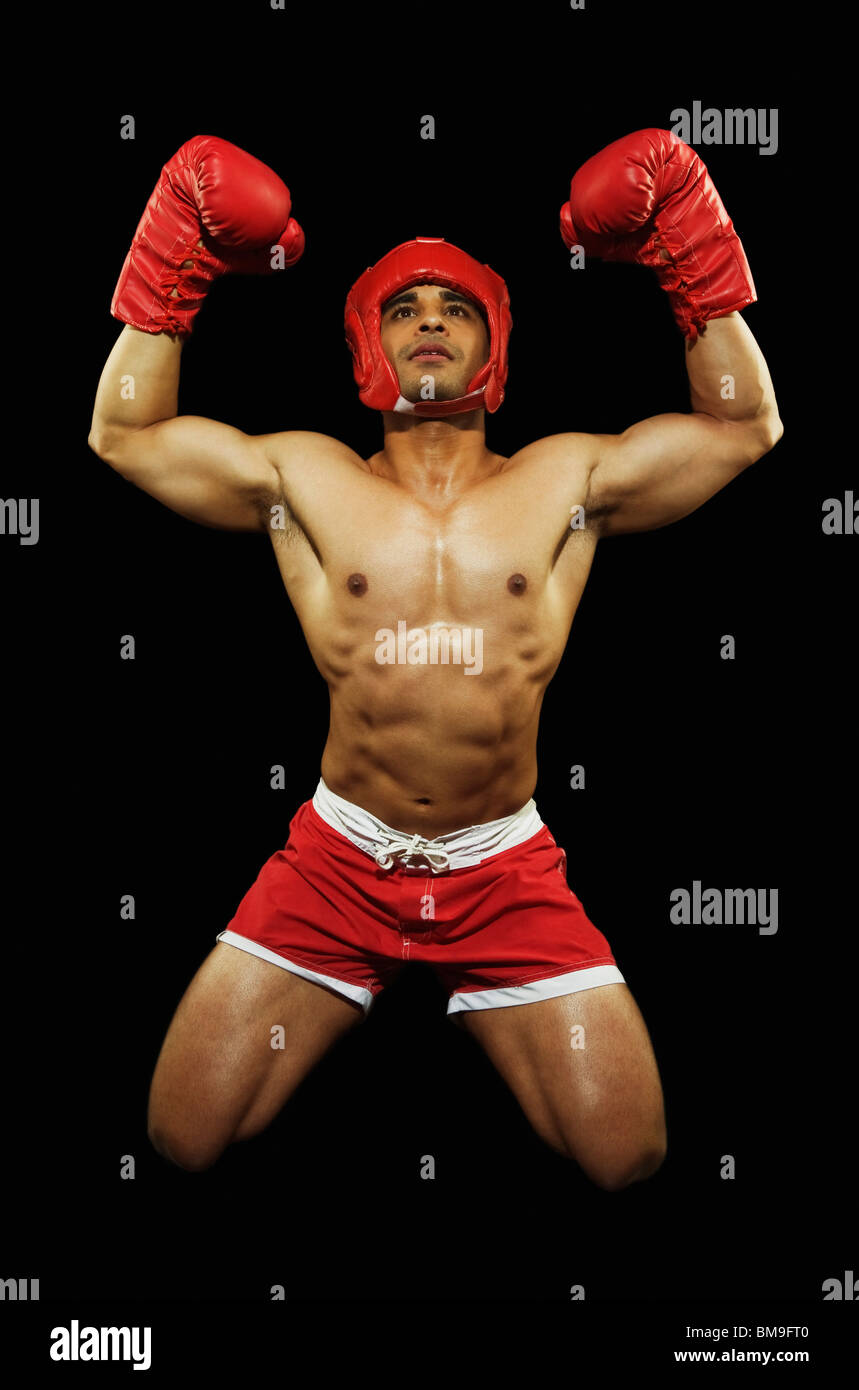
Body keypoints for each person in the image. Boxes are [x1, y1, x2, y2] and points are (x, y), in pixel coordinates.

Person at [88, 131, 782, 1187]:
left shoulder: (567, 479)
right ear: (365, 343)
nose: (428, 323)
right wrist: (171, 266)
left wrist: (689, 255)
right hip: (336, 861)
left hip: (502, 864)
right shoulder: (303, 476)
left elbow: (742, 428)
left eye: (454, 309)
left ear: (493, 346)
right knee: (184, 1137)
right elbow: (126, 434)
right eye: (402, 308)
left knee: (626, 1154)